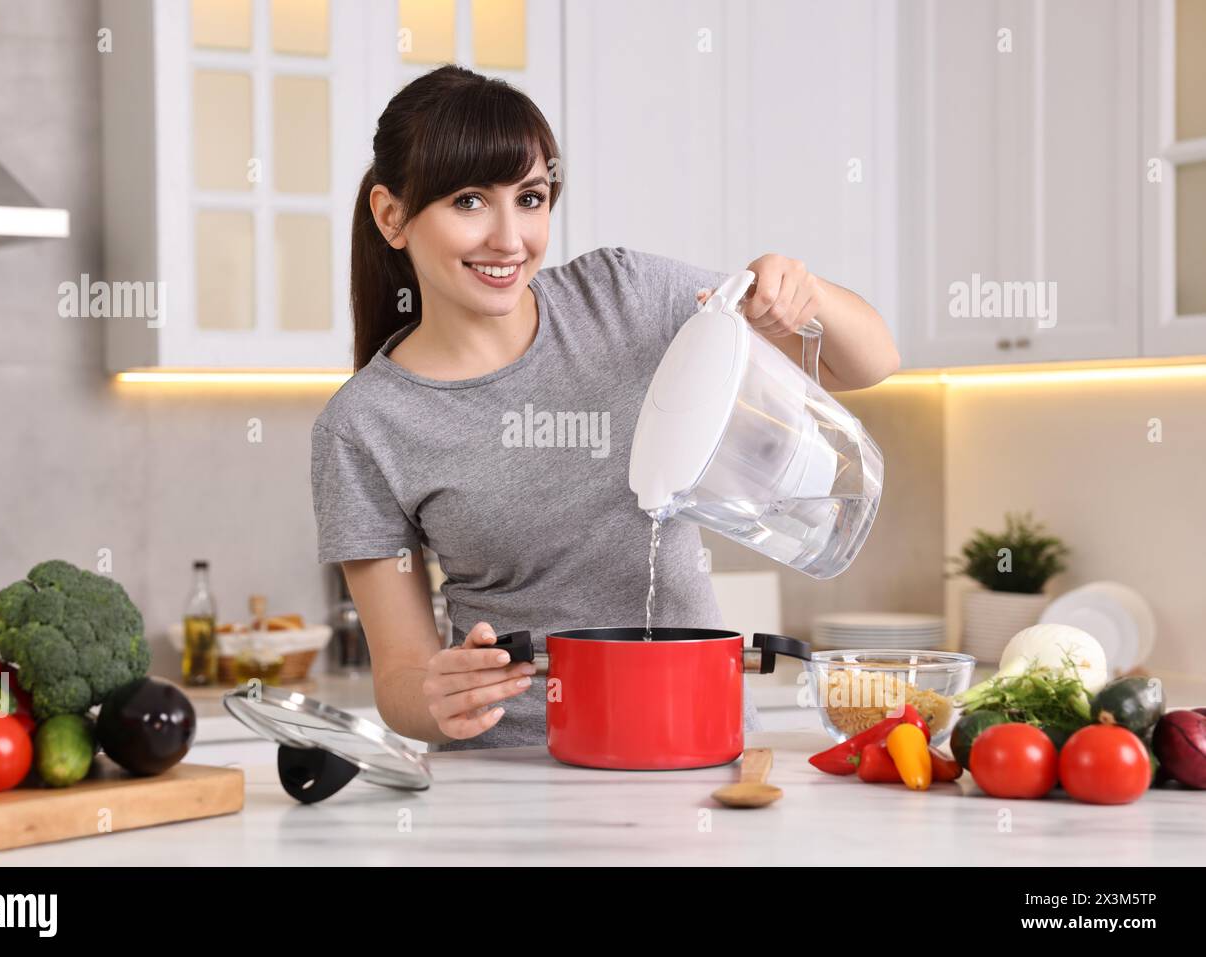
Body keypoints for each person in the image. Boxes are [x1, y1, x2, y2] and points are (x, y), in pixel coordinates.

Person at [312, 64, 900, 752]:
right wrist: (439, 694)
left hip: (702, 743)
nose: (510, 238)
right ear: (392, 216)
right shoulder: (362, 427)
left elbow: (871, 360)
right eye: (470, 201)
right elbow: (402, 678)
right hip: (519, 771)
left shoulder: (625, 298)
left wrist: (806, 291)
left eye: (530, 198)